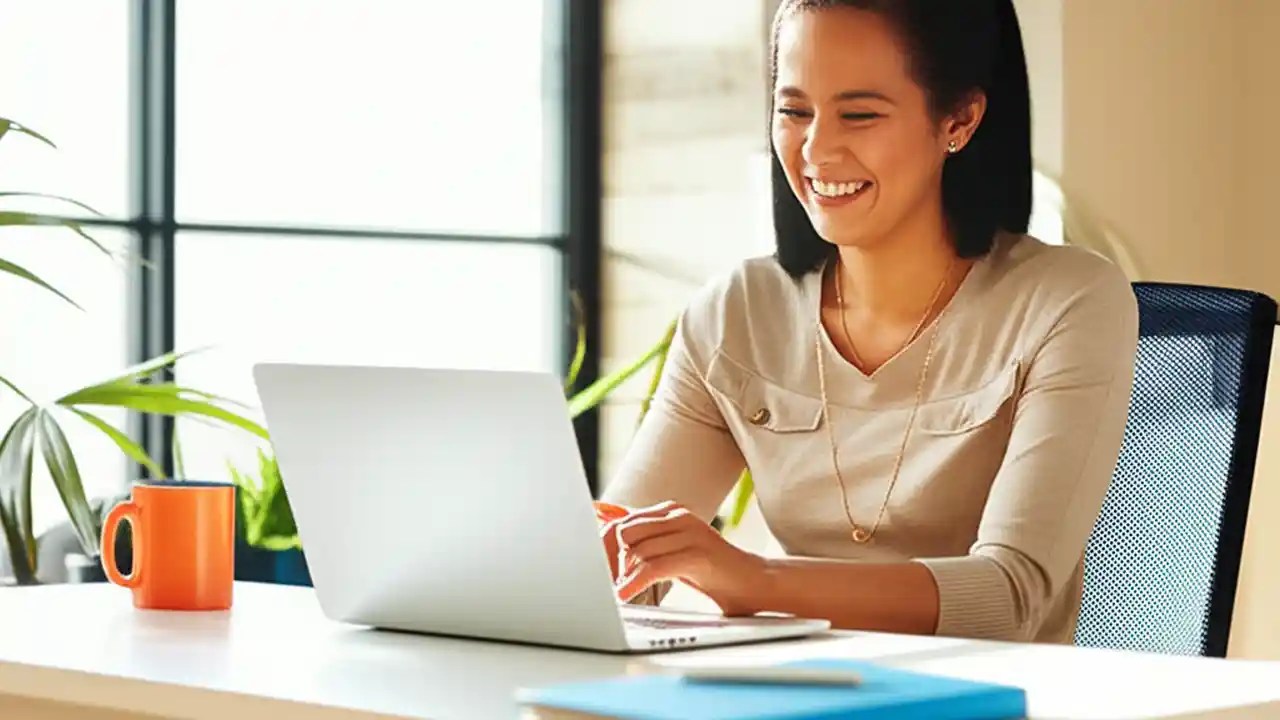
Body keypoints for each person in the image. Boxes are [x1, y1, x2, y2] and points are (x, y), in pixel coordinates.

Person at [596, 0, 1139, 645]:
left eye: (859, 115)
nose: (817, 149)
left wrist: (756, 582)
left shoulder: (1067, 301)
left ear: (959, 119)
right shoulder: (738, 312)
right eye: (794, 111)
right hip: (791, 695)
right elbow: (620, 555)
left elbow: (1008, 596)